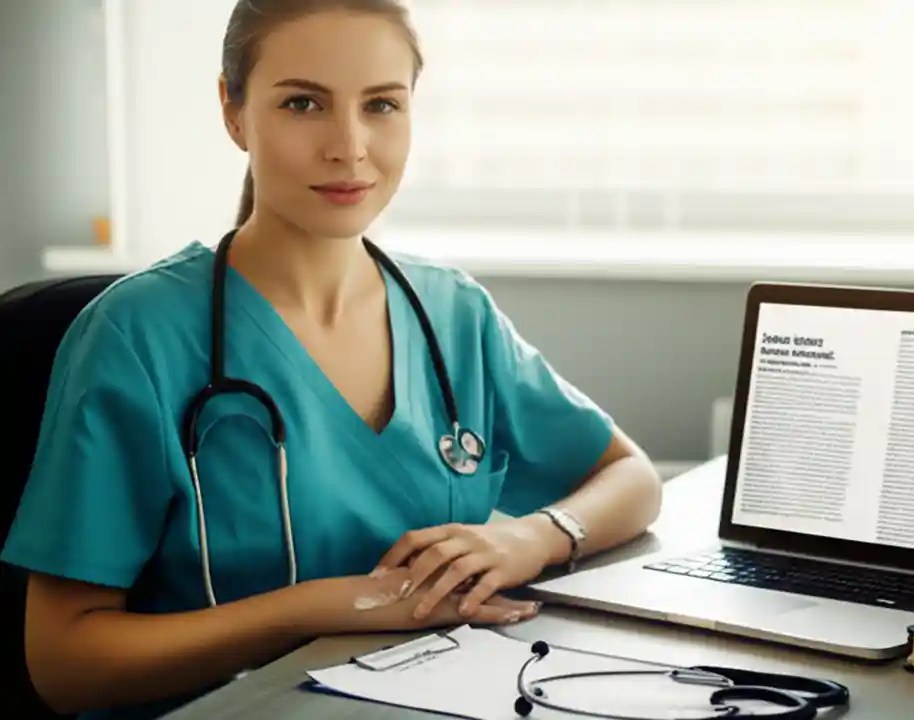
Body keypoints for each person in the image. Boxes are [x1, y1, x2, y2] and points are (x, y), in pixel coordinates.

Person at [0, 2, 663, 718]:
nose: (349, 147)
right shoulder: (136, 337)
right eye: (303, 103)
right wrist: (312, 609)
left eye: (381, 105)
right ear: (233, 111)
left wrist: (532, 538)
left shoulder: (452, 313)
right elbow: (65, 662)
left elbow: (630, 477)